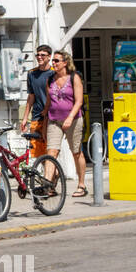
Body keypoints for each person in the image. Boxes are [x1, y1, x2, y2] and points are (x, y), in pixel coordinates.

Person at [46, 52, 88, 198]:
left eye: (56, 60)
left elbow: (79, 101)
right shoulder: (50, 79)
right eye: (53, 60)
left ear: (65, 62)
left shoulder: (74, 77)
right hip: (54, 119)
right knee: (51, 152)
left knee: (76, 152)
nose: (54, 63)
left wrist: (70, 117)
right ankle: (48, 185)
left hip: (73, 119)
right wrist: (43, 117)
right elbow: (49, 101)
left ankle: (81, 185)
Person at [19, 45, 54, 158]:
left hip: (51, 117)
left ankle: (53, 174)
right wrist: (25, 118)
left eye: (42, 55)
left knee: (50, 151)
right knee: (37, 153)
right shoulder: (31, 74)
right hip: (37, 117)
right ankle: (50, 175)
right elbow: (31, 97)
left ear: (49, 57)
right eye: (37, 55)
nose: (39, 57)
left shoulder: (54, 73)